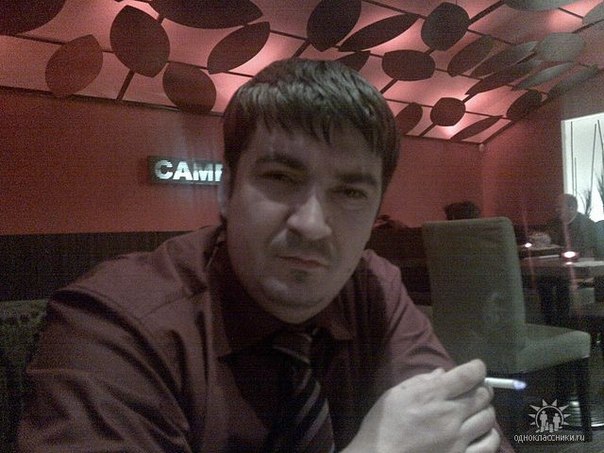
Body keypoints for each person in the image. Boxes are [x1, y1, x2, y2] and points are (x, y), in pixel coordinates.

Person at [18, 58, 511, 452]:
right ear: (226, 191)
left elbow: (463, 436)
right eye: (280, 177)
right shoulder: (116, 323)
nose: (312, 225)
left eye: (350, 192)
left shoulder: (372, 287)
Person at [539, 193, 603, 325]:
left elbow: (584, 249)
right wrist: (544, 240)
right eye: (556, 207)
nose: (556, 210)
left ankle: (564, 321)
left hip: (577, 266)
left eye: (559, 207)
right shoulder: (553, 223)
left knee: (559, 281)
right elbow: (549, 240)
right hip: (555, 265)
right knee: (543, 281)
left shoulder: (587, 225)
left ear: (572, 208)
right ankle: (550, 322)